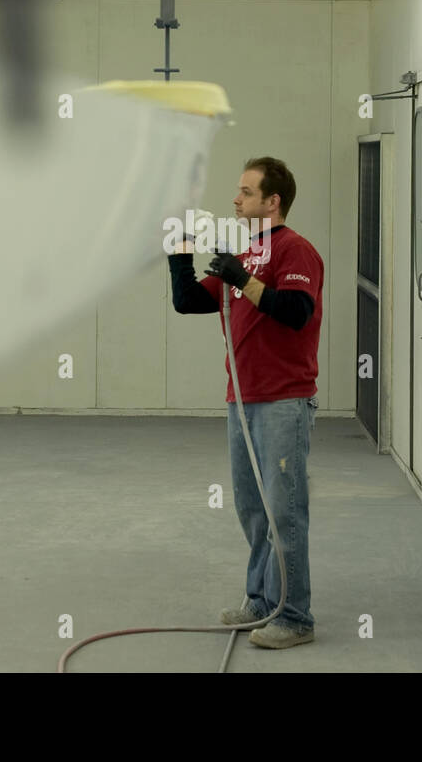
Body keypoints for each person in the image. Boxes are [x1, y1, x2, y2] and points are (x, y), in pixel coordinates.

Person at [166, 156, 323, 649]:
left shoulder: (295, 251)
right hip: (242, 397)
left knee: (284, 512)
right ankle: (260, 602)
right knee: (252, 508)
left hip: (282, 400)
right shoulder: (248, 252)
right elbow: (190, 300)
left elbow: (295, 312)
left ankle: (295, 616)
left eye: (245, 192)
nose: (235, 199)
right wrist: (179, 251)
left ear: (272, 202)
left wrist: (242, 279)